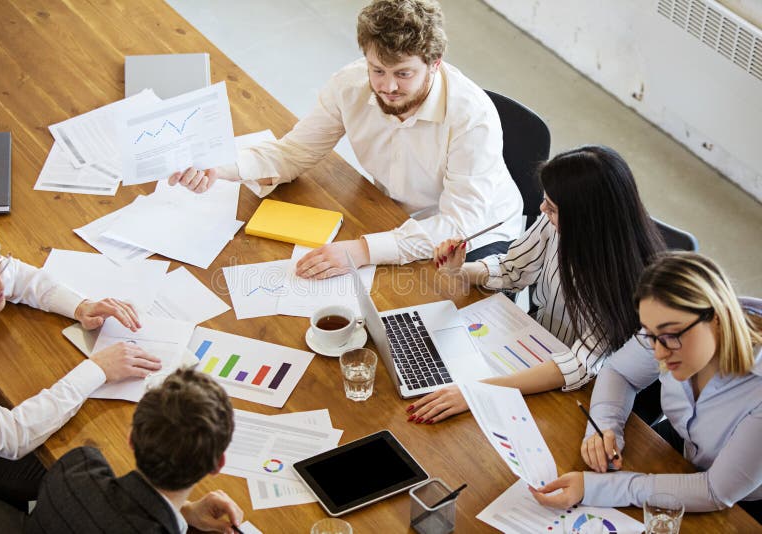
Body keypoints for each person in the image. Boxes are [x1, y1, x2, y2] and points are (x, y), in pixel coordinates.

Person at [168, 0, 523, 279]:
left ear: (435, 64)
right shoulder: (349, 85)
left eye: (404, 73)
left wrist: (361, 251)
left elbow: (458, 222)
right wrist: (222, 166)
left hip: (476, 238)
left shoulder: (473, 117)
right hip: (394, 215)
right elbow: (293, 152)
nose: (387, 87)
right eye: (377, 70)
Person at [406, 145, 666, 423]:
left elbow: (579, 365)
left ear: (585, 220)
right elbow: (511, 270)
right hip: (532, 346)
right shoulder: (553, 224)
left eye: (552, 208)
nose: (541, 210)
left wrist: (477, 392)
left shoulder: (625, 281)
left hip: (576, 392)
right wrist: (459, 270)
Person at [0, 198, 163, 533]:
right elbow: (12, 436)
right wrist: (97, 369)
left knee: (81, 488)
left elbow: (17, 277)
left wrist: (80, 306)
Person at [531, 252, 762, 522]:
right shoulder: (669, 326)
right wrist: (606, 426)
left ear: (717, 319)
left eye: (670, 337)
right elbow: (618, 371)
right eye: (650, 336)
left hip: (744, 500)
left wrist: (594, 488)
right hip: (686, 448)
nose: (659, 353)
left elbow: (715, 490)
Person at [25, 368, 243, 533]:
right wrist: (180, 511)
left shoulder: (74, 470)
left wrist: (184, 511)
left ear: (130, 438)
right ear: (217, 464)